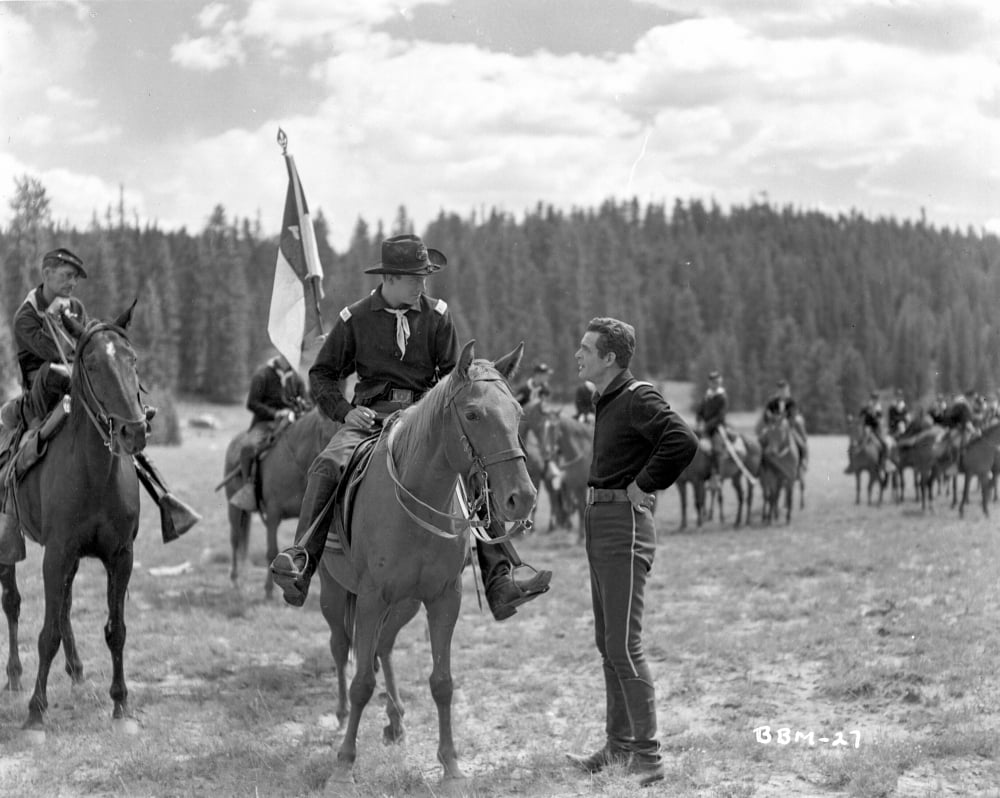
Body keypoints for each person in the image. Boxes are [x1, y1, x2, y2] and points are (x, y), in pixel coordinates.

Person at [269, 234, 551, 619]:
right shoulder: (355, 319)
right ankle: (303, 557)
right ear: (389, 278)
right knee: (327, 464)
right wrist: (344, 411)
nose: (423, 284)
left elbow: (455, 379)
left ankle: (499, 578)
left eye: (425, 276)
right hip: (370, 417)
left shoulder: (438, 316)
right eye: (415, 277)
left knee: (475, 468)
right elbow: (322, 374)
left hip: (426, 421)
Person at [565, 317, 697, 788]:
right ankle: (618, 746)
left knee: (624, 644)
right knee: (608, 643)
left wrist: (645, 483)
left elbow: (682, 439)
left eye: (586, 349)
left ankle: (649, 758)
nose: (578, 354)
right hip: (601, 522)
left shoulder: (638, 396)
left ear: (610, 358)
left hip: (625, 524)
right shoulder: (607, 398)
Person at [1, 248, 90, 563]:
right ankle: (10, 516)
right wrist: (58, 320)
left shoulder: (76, 307)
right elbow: (56, 351)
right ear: (47, 274)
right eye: (67, 276)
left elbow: (86, 346)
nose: (72, 283)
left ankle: (159, 493)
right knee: (52, 372)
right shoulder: (26, 317)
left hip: (77, 386)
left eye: (75, 278)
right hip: (41, 395)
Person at [229, 354, 308, 511]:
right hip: (265, 423)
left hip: (291, 424)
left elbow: (307, 403)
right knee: (248, 447)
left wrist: (302, 407)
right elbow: (252, 403)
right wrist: (275, 413)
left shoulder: (297, 379)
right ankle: (248, 488)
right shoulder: (262, 375)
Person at [695, 370, 728, 476]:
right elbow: (699, 411)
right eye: (712, 382)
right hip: (704, 427)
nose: (714, 384)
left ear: (719, 383)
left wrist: (707, 425)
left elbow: (720, 416)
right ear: (709, 383)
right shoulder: (707, 395)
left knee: (717, 449)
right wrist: (699, 422)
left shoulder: (722, 397)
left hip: (717, 427)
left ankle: (716, 473)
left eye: (716, 382)